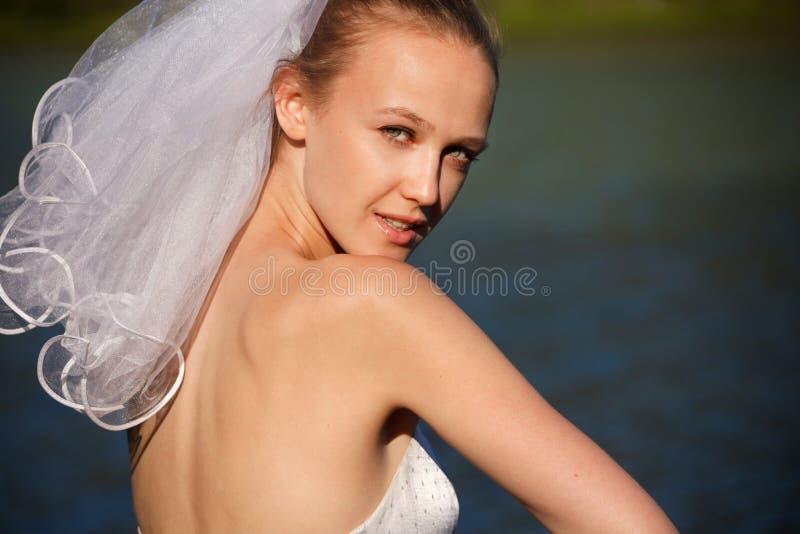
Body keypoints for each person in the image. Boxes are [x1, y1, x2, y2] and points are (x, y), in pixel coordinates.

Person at [1, 0, 678, 532]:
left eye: (461, 153)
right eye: (398, 133)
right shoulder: (377, 303)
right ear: (294, 102)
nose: (428, 187)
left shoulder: (163, 309)